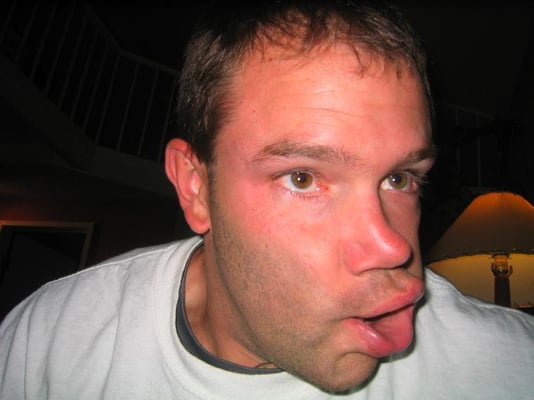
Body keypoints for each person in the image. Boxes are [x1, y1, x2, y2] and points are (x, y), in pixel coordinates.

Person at [1, 1, 533, 398]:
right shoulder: (48, 341)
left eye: (399, 179)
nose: (392, 248)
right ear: (196, 187)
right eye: (302, 177)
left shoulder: (508, 368)